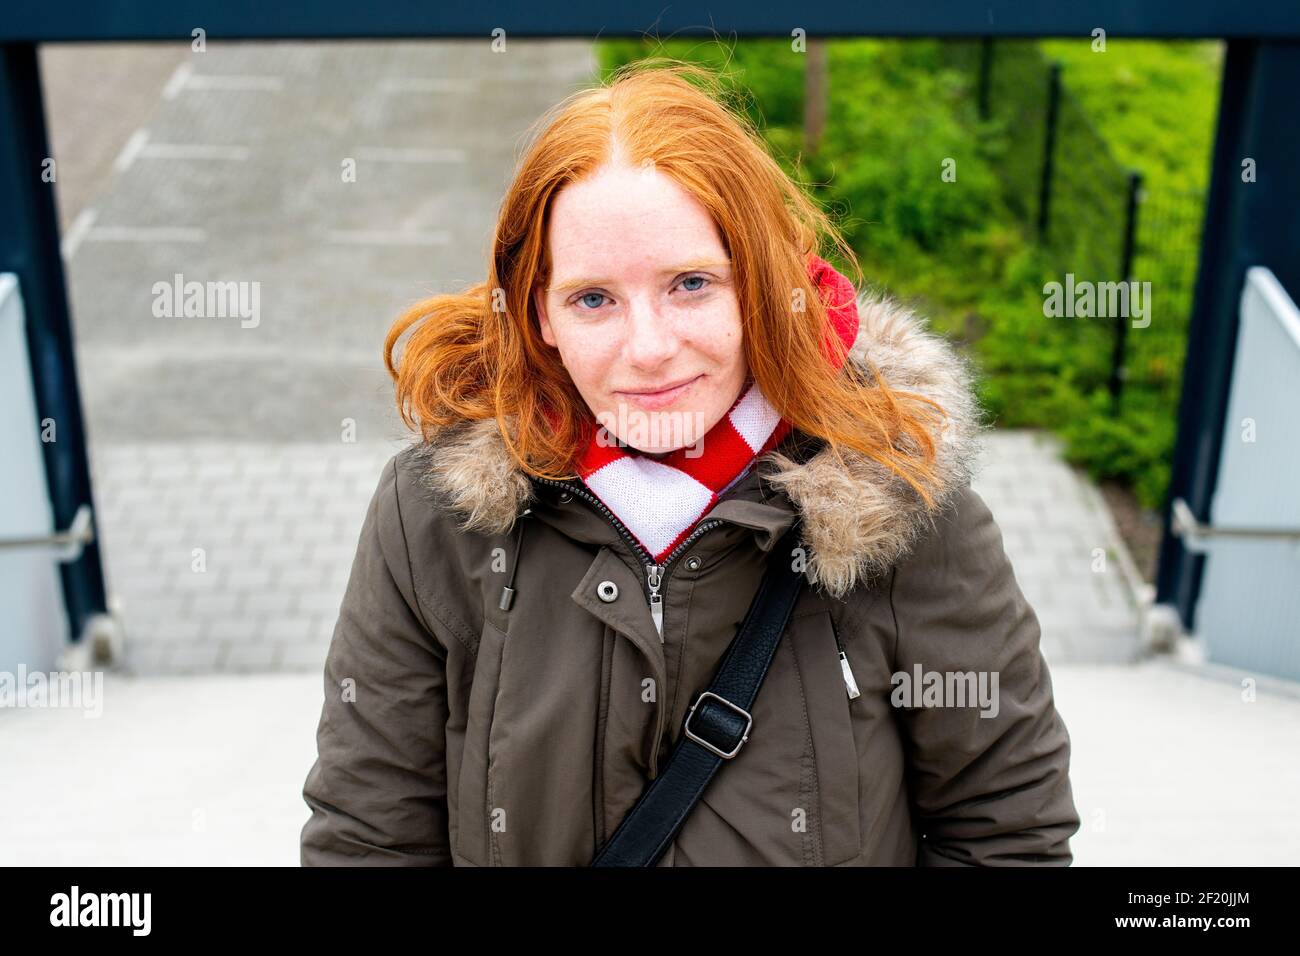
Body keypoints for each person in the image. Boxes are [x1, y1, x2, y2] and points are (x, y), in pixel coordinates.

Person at [299, 61, 1080, 866]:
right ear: (541, 315)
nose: (649, 349)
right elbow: (368, 837)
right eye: (593, 299)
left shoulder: (902, 504)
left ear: (763, 286)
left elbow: (1006, 832)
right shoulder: (435, 519)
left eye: (692, 284)